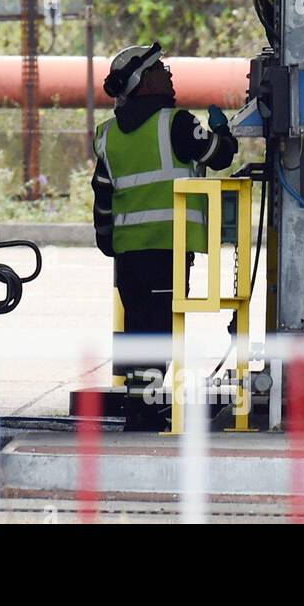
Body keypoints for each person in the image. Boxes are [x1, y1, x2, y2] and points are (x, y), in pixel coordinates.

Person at [91, 42, 238, 409]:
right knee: (158, 335)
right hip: (167, 248)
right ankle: (145, 413)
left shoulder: (108, 134)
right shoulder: (176, 123)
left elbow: (102, 194)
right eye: (161, 70)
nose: (169, 75)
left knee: (139, 331)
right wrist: (224, 132)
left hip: (128, 254)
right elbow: (219, 155)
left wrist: (107, 239)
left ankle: (140, 406)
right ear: (144, 80)